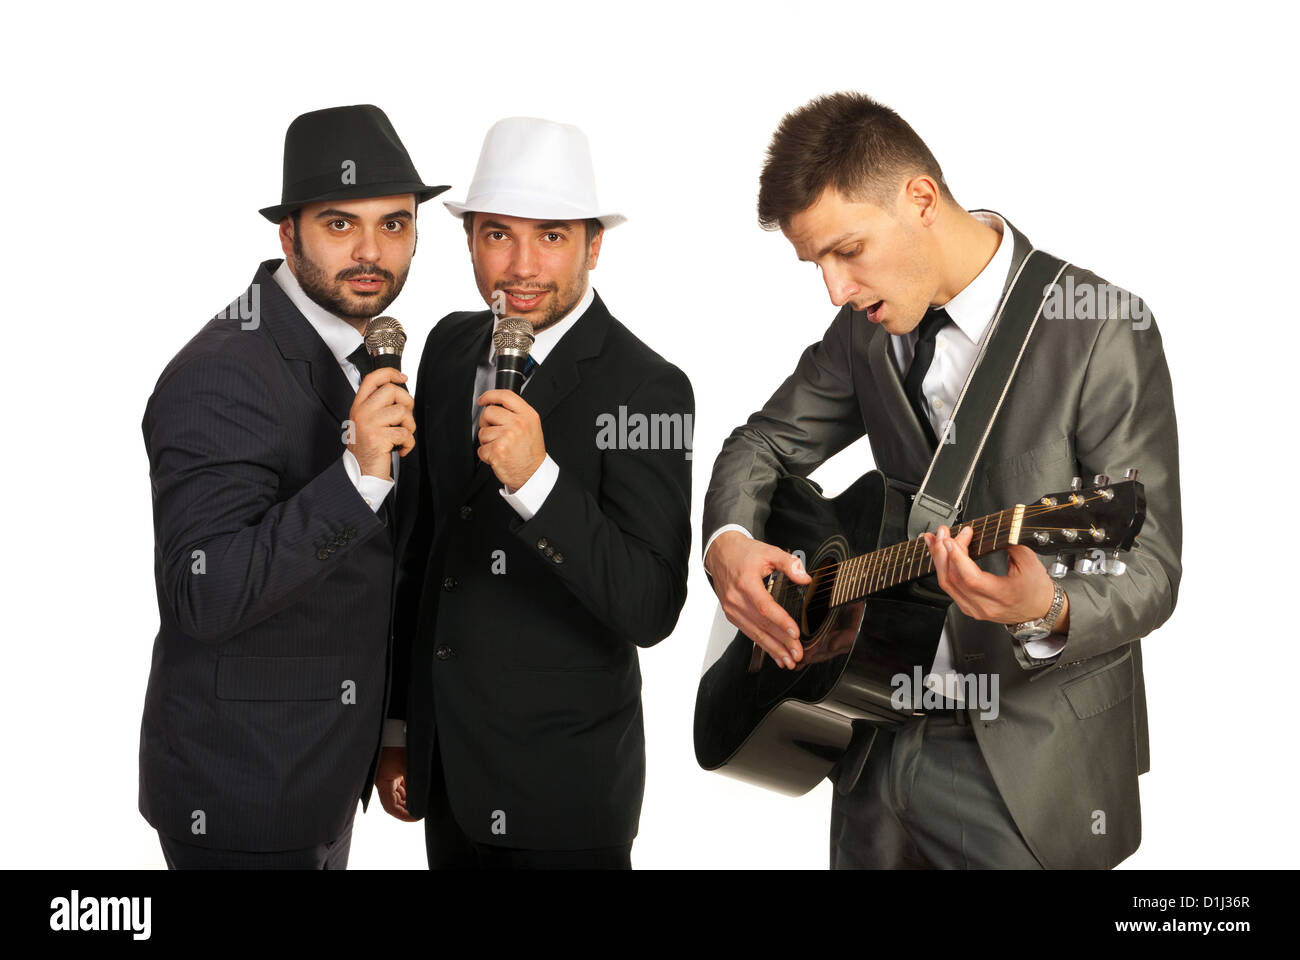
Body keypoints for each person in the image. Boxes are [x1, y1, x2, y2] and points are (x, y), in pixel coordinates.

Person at [702, 92, 1181, 869]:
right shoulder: (862, 330)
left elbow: (1152, 568)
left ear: (920, 198)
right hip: (871, 728)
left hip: (1029, 767)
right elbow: (760, 444)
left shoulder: (1099, 330)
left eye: (848, 250)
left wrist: (1047, 611)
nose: (835, 290)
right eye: (815, 262)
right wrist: (726, 543)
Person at [378, 117, 693, 870]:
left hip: (564, 802)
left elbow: (651, 606)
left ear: (594, 245)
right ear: (468, 241)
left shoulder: (647, 388)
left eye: (551, 236)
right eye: (497, 235)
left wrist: (539, 484)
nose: (521, 266)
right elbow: (424, 553)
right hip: (448, 777)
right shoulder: (452, 347)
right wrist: (399, 728)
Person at [138, 104, 446, 868]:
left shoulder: (356, 348)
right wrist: (356, 478)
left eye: (396, 224)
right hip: (241, 792)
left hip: (321, 778)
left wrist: (389, 730)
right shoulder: (222, 372)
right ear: (288, 234)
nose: (373, 251)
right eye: (340, 225)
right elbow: (198, 593)